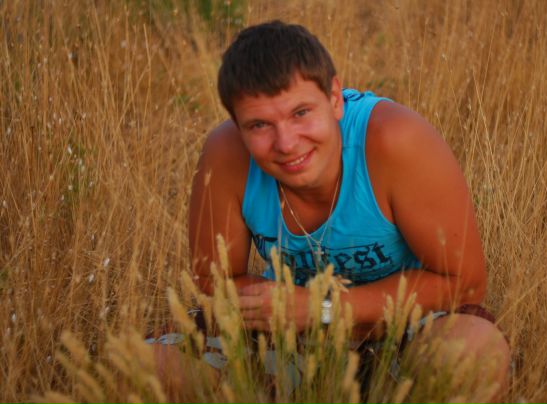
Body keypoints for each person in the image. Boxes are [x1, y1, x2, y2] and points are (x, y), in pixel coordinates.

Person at [187, 20, 510, 397]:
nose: (286, 143)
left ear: (335, 98)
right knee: (152, 368)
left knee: (473, 350)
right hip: (288, 330)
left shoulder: (394, 140)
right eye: (259, 125)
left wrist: (323, 309)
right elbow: (214, 282)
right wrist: (284, 311)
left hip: (407, 325)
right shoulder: (226, 153)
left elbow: (465, 283)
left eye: (300, 112)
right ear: (237, 125)